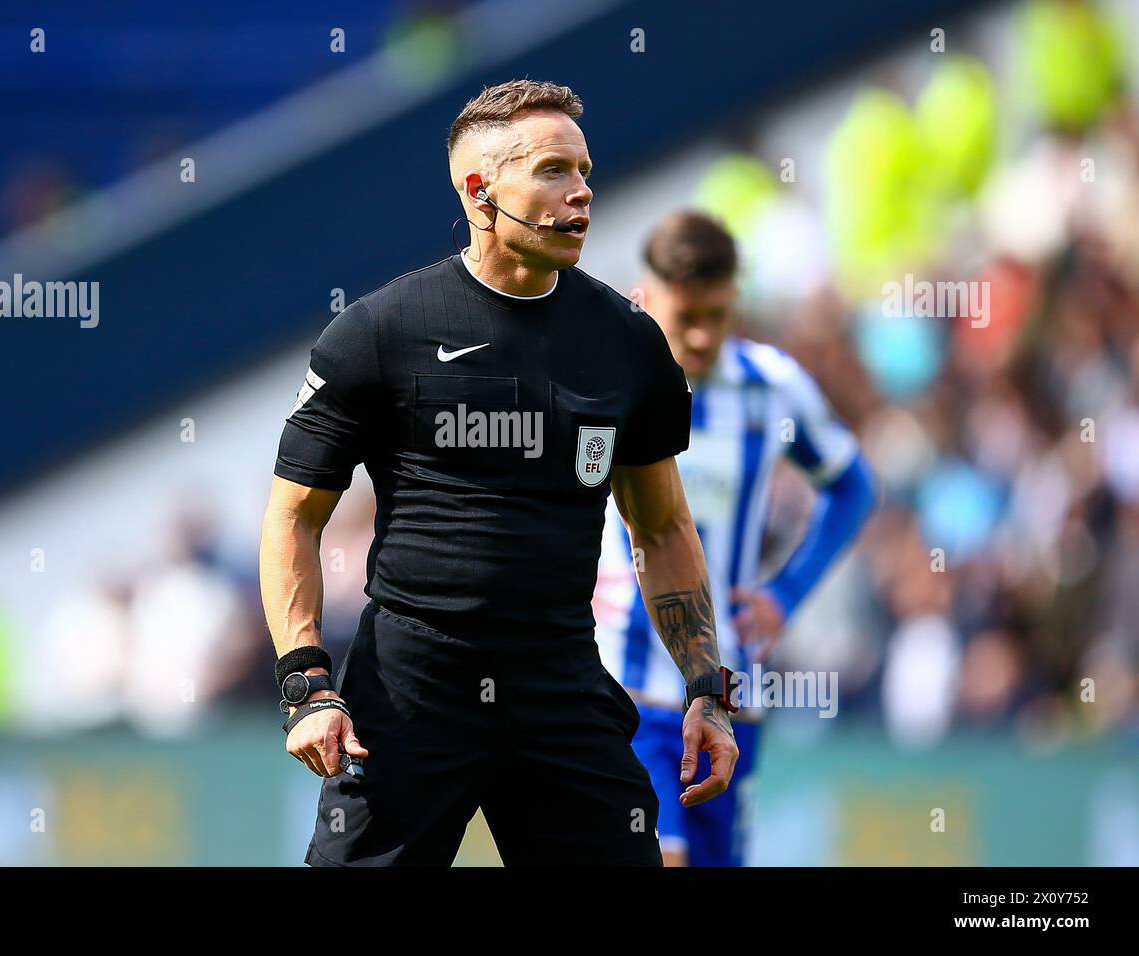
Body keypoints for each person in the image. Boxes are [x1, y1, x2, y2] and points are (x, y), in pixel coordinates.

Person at [259, 80, 739, 866]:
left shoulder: (628, 343)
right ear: (481, 192)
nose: (582, 191)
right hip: (410, 688)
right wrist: (307, 685)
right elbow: (293, 517)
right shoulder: (378, 332)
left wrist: (705, 690)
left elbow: (661, 526)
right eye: (553, 171)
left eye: (584, 170)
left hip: (559, 682)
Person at [594, 210, 877, 866]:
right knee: (661, 857)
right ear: (646, 295)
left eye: (716, 315)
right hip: (622, 683)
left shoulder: (771, 389)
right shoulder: (607, 381)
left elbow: (853, 486)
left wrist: (786, 592)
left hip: (727, 693)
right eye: (684, 314)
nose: (699, 335)